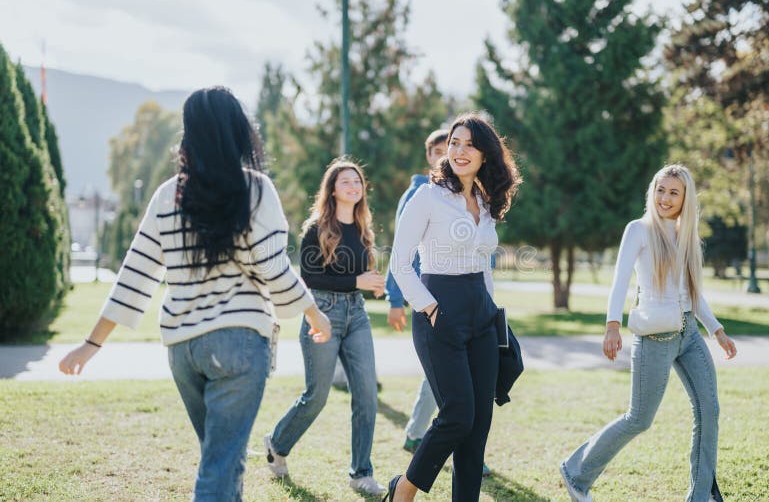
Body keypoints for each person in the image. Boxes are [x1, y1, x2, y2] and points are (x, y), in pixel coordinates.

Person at [58, 86, 332, 502]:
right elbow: (273, 267)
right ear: (238, 130)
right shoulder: (256, 189)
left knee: (220, 461)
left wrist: (90, 343)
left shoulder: (169, 194)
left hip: (183, 349)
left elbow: (135, 274)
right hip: (238, 342)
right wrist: (315, 314)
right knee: (220, 467)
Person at [559, 164, 738, 502]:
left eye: (673, 192)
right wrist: (612, 325)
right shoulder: (639, 230)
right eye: (660, 190)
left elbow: (694, 294)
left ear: (686, 197)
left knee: (709, 410)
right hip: (654, 336)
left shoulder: (686, 234)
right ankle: (575, 472)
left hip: (688, 335)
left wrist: (717, 330)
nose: (665, 198)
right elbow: (620, 280)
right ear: (652, 192)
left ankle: (701, 494)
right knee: (639, 419)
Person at [384, 113, 521, 502]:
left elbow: (483, 264)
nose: (459, 151)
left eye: (469, 145)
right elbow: (399, 262)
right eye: (454, 143)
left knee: (478, 427)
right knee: (458, 415)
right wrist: (429, 309)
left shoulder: (484, 199)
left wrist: (494, 315)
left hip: (481, 311)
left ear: (484, 154)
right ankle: (403, 492)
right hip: (439, 310)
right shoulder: (427, 196)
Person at [264, 158, 387, 496]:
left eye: (357, 181)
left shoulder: (362, 228)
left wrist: (373, 287)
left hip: (356, 315)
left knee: (366, 395)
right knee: (316, 396)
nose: (353, 186)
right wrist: (356, 280)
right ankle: (277, 443)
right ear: (332, 189)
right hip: (322, 312)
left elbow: (355, 279)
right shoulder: (316, 228)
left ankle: (361, 473)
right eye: (345, 181)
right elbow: (310, 278)